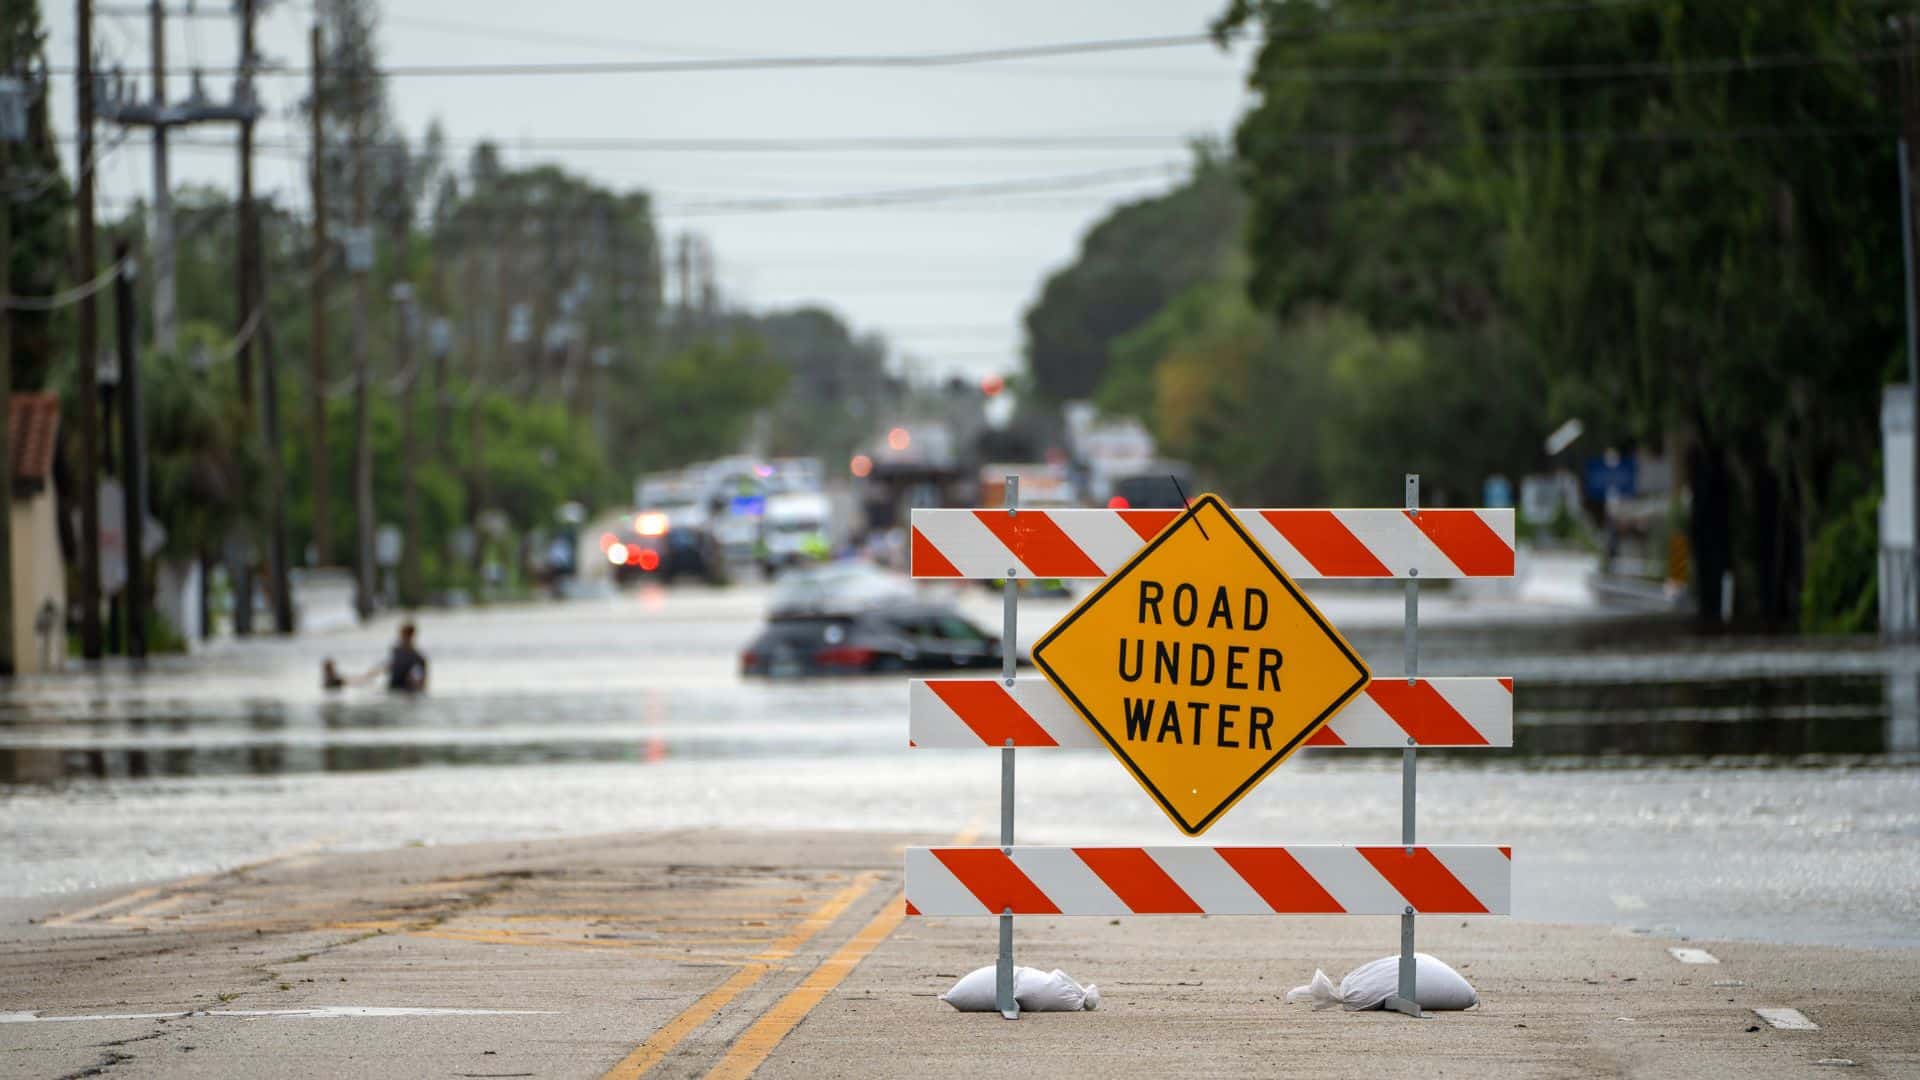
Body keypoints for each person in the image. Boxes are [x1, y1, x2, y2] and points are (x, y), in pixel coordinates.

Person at [373, 622, 429, 693]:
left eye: (403, 635)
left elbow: (420, 681)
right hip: (393, 689)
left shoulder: (417, 658)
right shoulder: (396, 651)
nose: (401, 637)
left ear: (411, 636)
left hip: (406, 691)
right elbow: (388, 666)